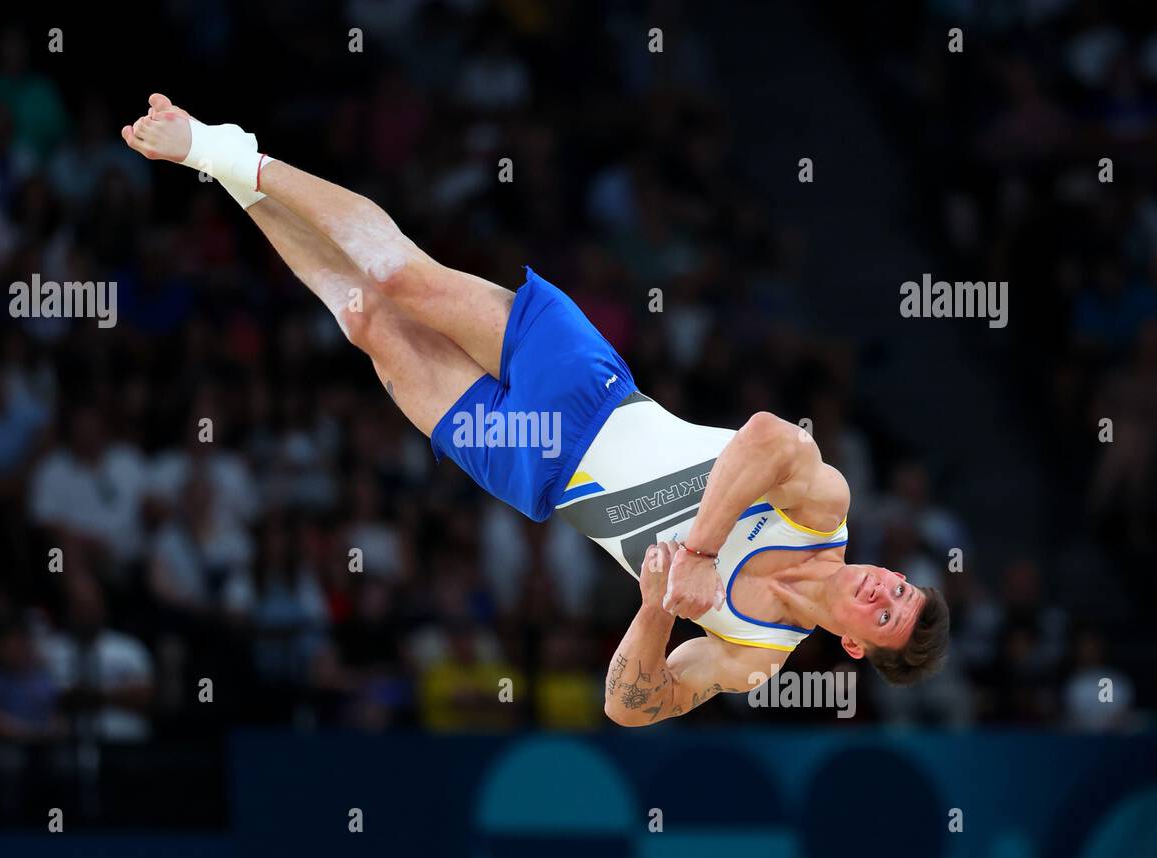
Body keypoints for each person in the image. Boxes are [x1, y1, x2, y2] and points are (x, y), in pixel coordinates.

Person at [121, 94, 950, 725]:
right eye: (901, 587)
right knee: (399, 280)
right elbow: (769, 436)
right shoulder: (825, 511)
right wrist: (698, 550)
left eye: (885, 612)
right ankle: (222, 148)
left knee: (367, 323)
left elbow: (629, 706)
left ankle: (227, 177)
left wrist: (660, 605)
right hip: (589, 390)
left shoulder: (751, 655)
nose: (883, 586)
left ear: (854, 645)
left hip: (536, 466)